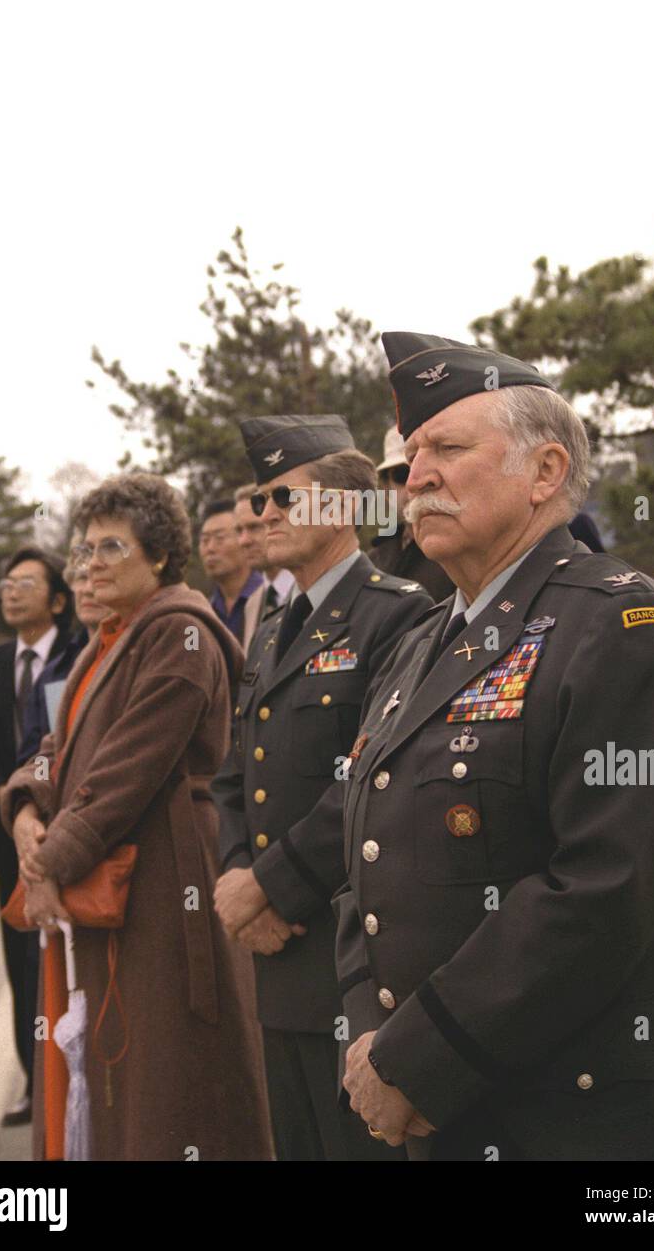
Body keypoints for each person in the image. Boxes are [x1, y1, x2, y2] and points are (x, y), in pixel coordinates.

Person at [336, 331, 654, 1162]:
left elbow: (602, 887)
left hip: (595, 1124)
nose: (416, 476)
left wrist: (418, 1055)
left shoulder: (621, 624)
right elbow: (369, 856)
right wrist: (372, 1035)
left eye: (448, 449)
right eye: (414, 453)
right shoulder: (422, 644)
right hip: (446, 1106)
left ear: (546, 473)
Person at [0, 474, 272, 1161]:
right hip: (119, 883)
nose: (90, 563)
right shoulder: (109, 639)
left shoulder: (180, 635)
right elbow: (55, 752)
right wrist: (27, 808)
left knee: (174, 1082)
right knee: (125, 1077)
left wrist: (48, 861)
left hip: (166, 890)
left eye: (110, 547)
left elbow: (122, 774)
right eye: (84, 549)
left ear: (158, 555)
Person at [211, 414, 432, 1161]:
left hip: (346, 959)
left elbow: (373, 781)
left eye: (282, 496)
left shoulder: (396, 612)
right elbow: (235, 773)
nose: (261, 513)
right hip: (273, 958)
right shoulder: (273, 627)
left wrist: (269, 887)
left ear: (342, 507)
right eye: (258, 498)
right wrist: (236, 877)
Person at [0, 545, 73, 1127]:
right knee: (21, 960)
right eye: (5, 583)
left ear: (57, 598)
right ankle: (37, 1085)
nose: (9, 591)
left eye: (24, 583)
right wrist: (5, 798)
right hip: (8, 834)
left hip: (70, 833)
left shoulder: (80, 654)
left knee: (66, 959)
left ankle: (73, 1080)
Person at [17, 558, 111, 762]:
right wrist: (35, 790)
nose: (87, 589)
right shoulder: (53, 674)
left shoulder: (147, 657)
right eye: (81, 577)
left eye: (97, 578)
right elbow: (37, 759)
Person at [369, 425, 454, 602]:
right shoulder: (373, 559)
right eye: (402, 474)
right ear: (385, 488)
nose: (413, 482)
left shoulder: (461, 551)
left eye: (425, 469)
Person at [199, 499, 264, 647]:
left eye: (219, 538)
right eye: (204, 540)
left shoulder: (272, 599)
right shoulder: (205, 610)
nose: (210, 548)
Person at [233, 483, 295, 629]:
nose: (244, 541)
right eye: (239, 530)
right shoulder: (251, 605)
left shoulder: (312, 592)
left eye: (254, 527)